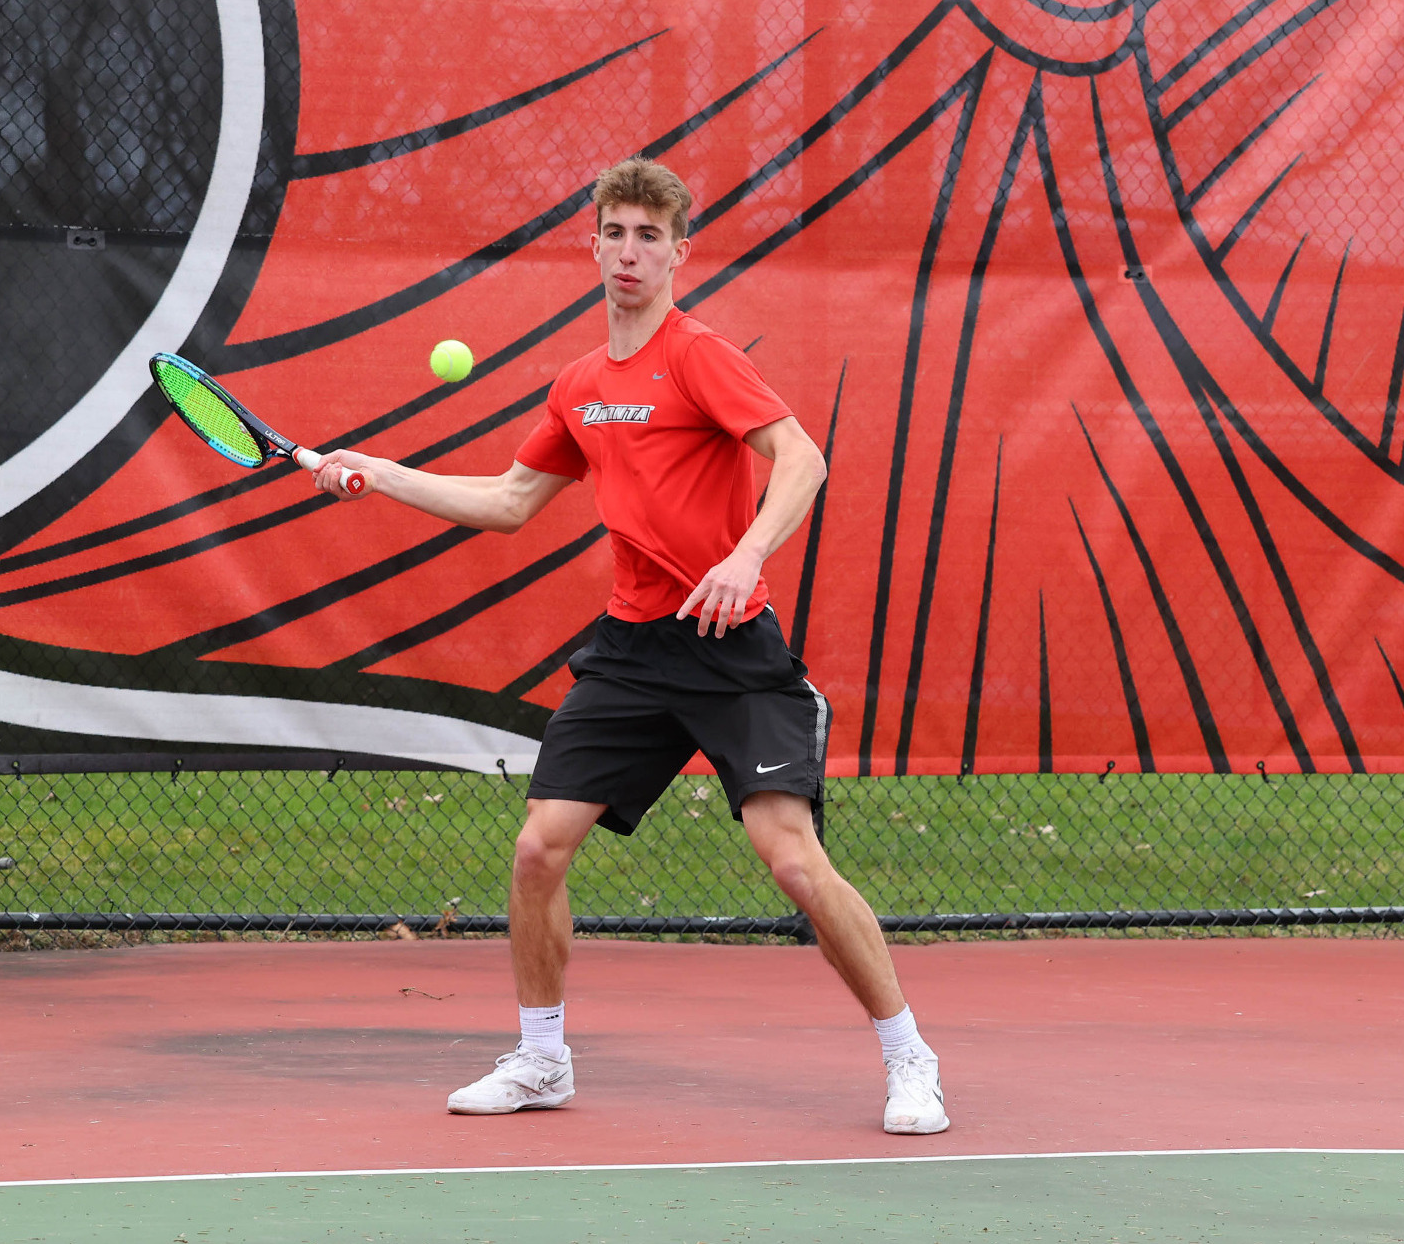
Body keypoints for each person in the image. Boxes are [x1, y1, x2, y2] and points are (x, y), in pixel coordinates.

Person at [311, 157, 947, 1135]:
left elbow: (802, 458)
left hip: (732, 652)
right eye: (614, 231)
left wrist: (743, 554)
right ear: (594, 244)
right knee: (535, 850)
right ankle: (540, 1057)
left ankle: (909, 1059)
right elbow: (508, 503)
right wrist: (381, 473)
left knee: (790, 861)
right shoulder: (579, 385)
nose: (629, 250)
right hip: (631, 653)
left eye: (649, 235)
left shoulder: (699, 357)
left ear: (677, 254)